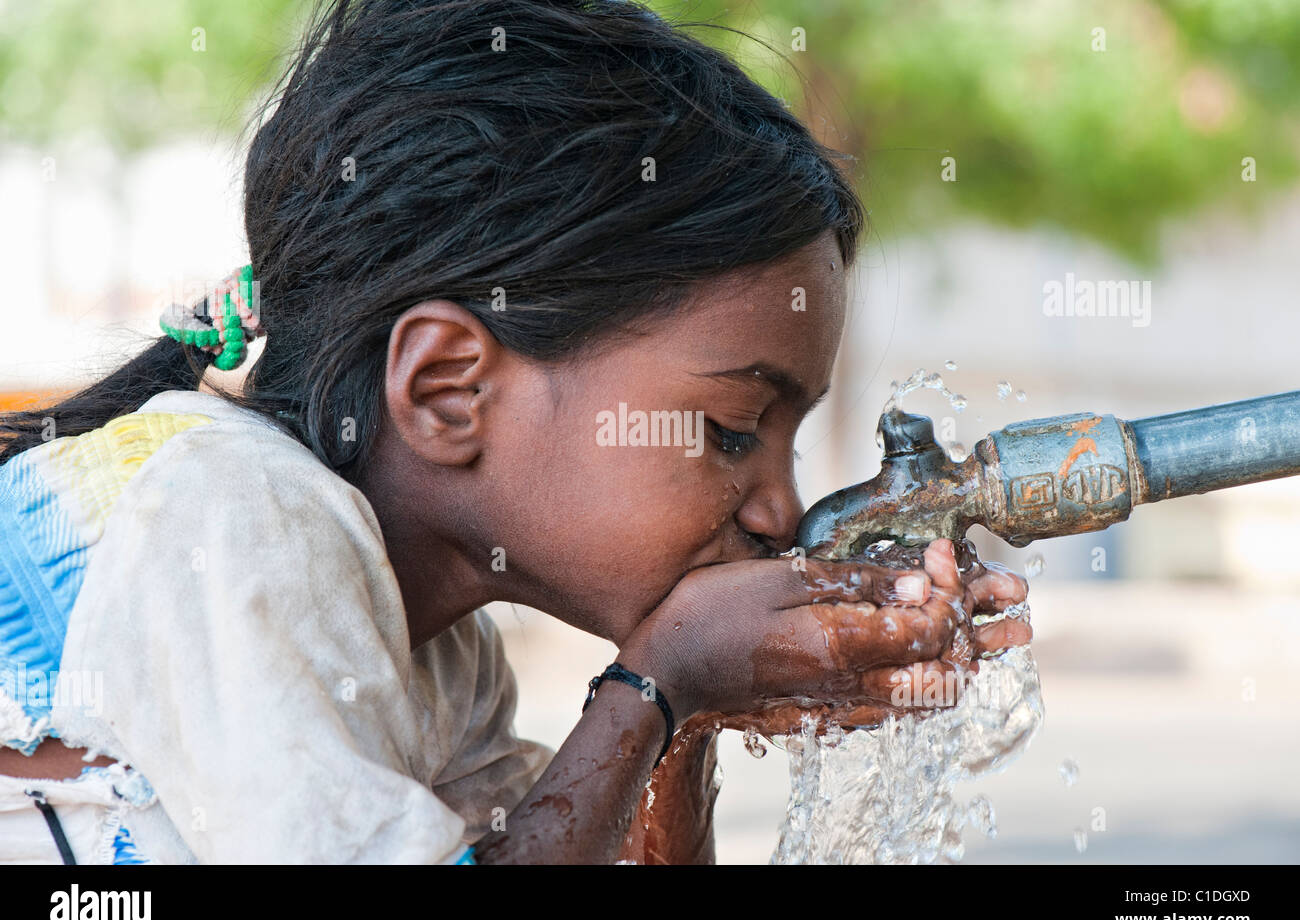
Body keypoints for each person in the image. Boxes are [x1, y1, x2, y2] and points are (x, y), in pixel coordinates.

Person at [0, 0, 1030, 864]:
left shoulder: (446, 657)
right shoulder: (228, 521)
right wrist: (660, 684)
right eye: (730, 431)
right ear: (449, 389)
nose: (783, 512)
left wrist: (696, 707)